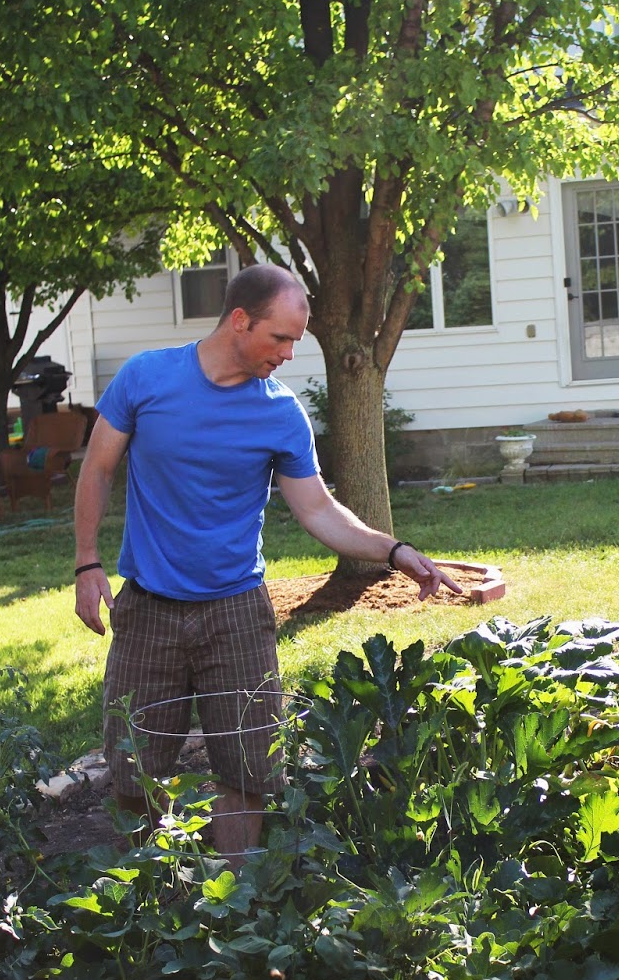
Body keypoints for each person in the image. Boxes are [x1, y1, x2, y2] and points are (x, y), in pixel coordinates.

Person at [74, 264, 460, 864]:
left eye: (295, 343)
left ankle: (237, 903)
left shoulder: (280, 413)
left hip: (237, 613)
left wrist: (393, 550)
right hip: (149, 607)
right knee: (133, 770)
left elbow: (319, 510)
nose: (287, 354)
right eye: (279, 338)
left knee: (250, 768)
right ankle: (147, 906)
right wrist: (86, 563)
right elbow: (97, 468)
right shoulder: (145, 378)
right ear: (238, 320)